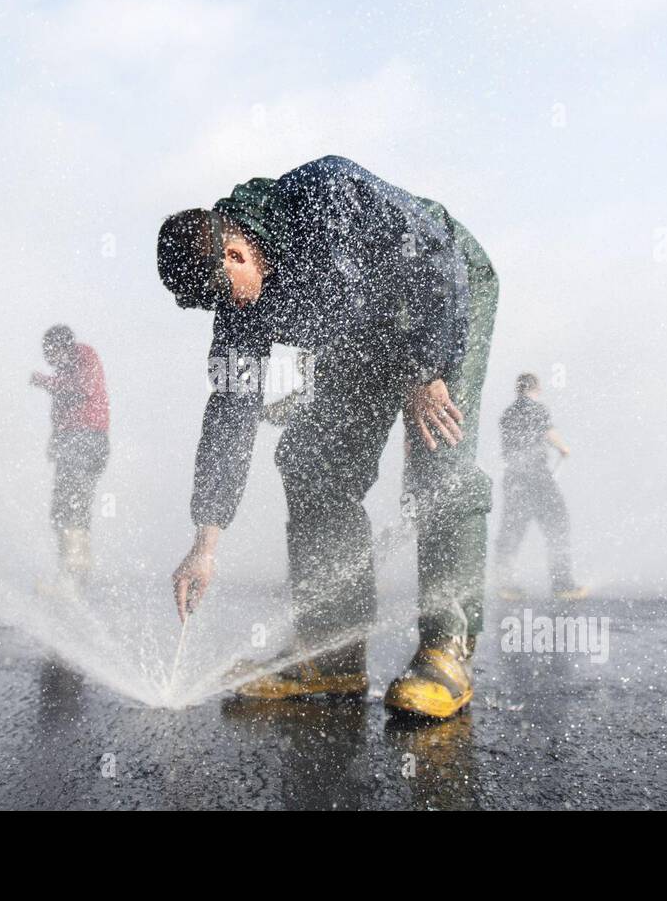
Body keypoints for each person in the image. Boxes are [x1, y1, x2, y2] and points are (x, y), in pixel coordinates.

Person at [157, 155, 498, 720]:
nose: (231, 308)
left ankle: (448, 647)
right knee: (314, 464)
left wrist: (425, 368)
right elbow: (230, 412)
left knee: (439, 455)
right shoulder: (238, 305)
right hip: (364, 327)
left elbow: (434, 254)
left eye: (226, 291)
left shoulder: (326, 191)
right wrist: (205, 544)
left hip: (439, 296)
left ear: (237, 252)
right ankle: (333, 654)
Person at [30, 324, 110, 592]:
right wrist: (54, 440)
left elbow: (83, 389)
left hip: (85, 441)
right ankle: (80, 574)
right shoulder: (67, 368)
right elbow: (63, 409)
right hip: (80, 441)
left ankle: (68, 578)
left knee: (67, 508)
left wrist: (45, 381)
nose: (46, 357)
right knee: (74, 508)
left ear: (58, 346)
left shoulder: (83, 354)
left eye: (47, 351)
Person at [492, 373, 585, 600]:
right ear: (537, 389)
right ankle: (563, 585)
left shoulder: (507, 414)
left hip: (514, 478)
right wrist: (563, 448)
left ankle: (506, 585)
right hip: (537, 477)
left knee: (512, 529)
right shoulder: (537, 409)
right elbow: (547, 432)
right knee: (557, 525)